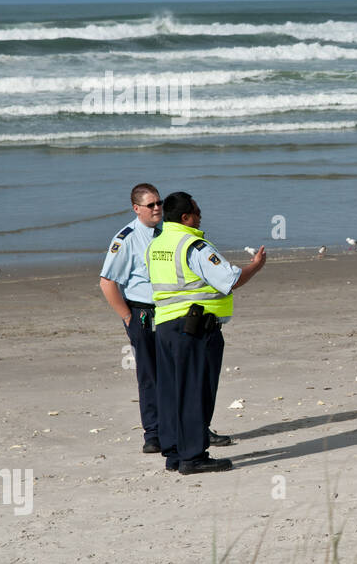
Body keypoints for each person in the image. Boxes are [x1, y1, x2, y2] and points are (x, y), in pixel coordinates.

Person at [148, 192, 266, 474]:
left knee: (171, 391)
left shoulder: (158, 243)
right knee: (195, 392)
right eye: (198, 211)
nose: (201, 216)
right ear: (186, 217)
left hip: (165, 325)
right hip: (194, 328)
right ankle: (193, 456)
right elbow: (231, 279)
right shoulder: (194, 245)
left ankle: (175, 452)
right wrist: (256, 266)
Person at [99, 184, 165, 454]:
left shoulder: (169, 231)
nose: (157, 208)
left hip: (171, 310)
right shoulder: (126, 239)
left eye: (159, 202)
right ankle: (153, 432)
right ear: (136, 208)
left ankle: (192, 425)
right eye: (151, 205)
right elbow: (107, 282)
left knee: (181, 371)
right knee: (149, 374)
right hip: (142, 313)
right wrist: (127, 317)